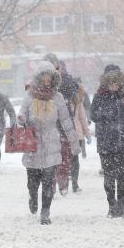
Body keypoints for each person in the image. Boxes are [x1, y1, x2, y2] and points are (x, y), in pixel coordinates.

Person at [17, 61, 81, 225]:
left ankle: (45, 212)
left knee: (48, 181)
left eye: (49, 79)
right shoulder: (29, 96)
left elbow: (66, 121)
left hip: (52, 142)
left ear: (53, 79)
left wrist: (74, 143)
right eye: (43, 79)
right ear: (38, 79)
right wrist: (22, 120)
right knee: (32, 182)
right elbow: (21, 114)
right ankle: (33, 198)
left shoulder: (57, 98)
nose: (46, 83)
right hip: (33, 143)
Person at [90, 65, 124, 218]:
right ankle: (111, 204)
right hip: (106, 145)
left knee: (123, 178)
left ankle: (120, 207)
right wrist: (107, 113)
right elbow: (93, 115)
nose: (114, 86)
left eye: (116, 83)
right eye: (111, 83)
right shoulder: (100, 96)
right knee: (108, 178)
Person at [42, 54, 79, 196]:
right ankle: (50, 185)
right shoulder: (38, 79)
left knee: (64, 155)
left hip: (62, 124)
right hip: (46, 125)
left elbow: (72, 91)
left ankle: (62, 181)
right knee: (48, 158)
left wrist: (60, 78)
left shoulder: (64, 78)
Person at [69, 78, 93, 193]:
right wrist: (87, 134)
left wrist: (87, 134)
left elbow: (83, 118)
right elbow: (82, 119)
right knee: (74, 159)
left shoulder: (73, 101)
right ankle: (74, 183)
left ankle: (70, 182)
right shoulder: (77, 101)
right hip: (75, 134)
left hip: (67, 134)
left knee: (68, 159)